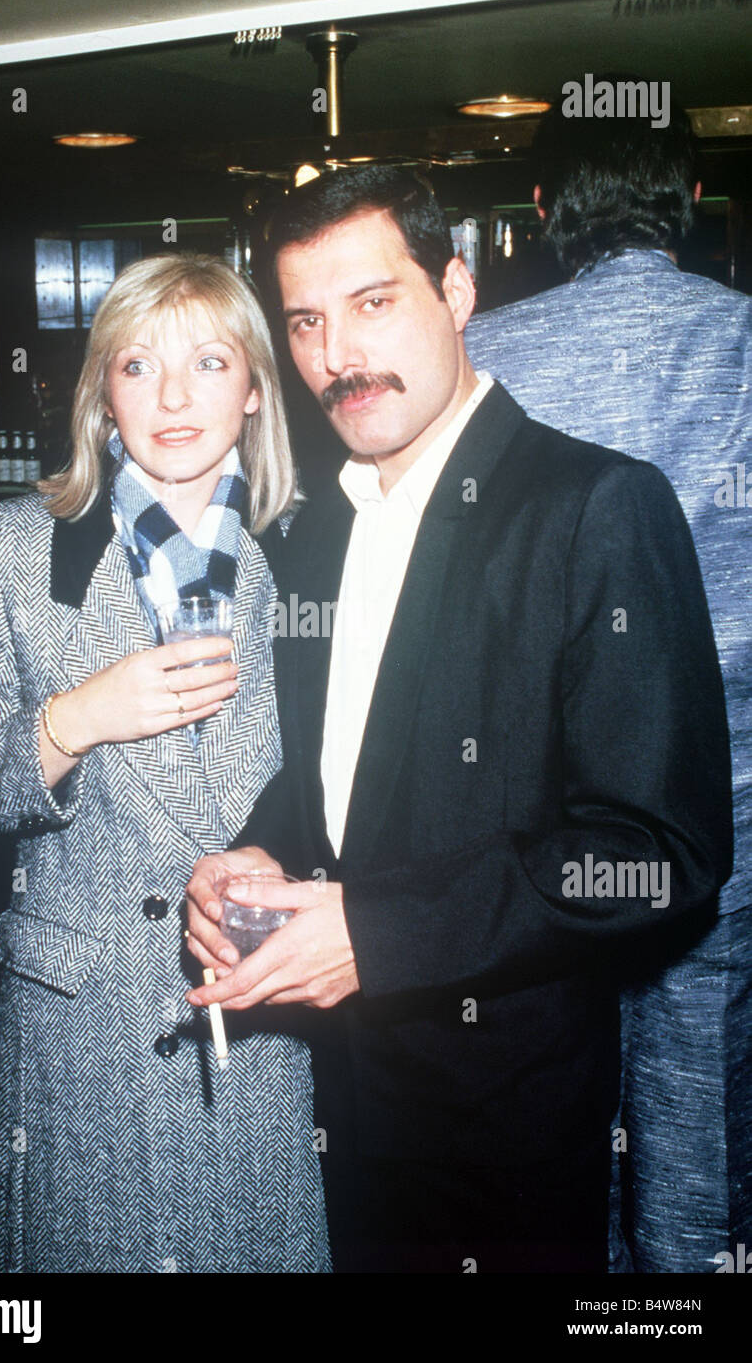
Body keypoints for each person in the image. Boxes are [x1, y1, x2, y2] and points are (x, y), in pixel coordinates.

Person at [183, 164, 733, 1274]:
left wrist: (379, 934)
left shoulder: (598, 505)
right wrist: (258, 849)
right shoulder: (314, 532)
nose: (337, 355)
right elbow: (337, 774)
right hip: (332, 1098)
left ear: (458, 289)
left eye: (373, 303)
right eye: (305, 322)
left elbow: (662, 852)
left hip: (504, 1125)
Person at [0, 253, 330, 1273]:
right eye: (138, 366)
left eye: (209, 361)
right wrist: (71, 719)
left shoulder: (321, 557)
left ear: (257, 391)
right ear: (103, 395)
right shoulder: (14, 550)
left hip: (254, 1027)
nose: (175, 396)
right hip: (77, 1043)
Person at [465, 87, 752, 1273]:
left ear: (538, 210)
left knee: (542, 1139)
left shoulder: (479, 360)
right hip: (725, 819)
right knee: (696, 1143)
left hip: (534, 841)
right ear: (689, 198)